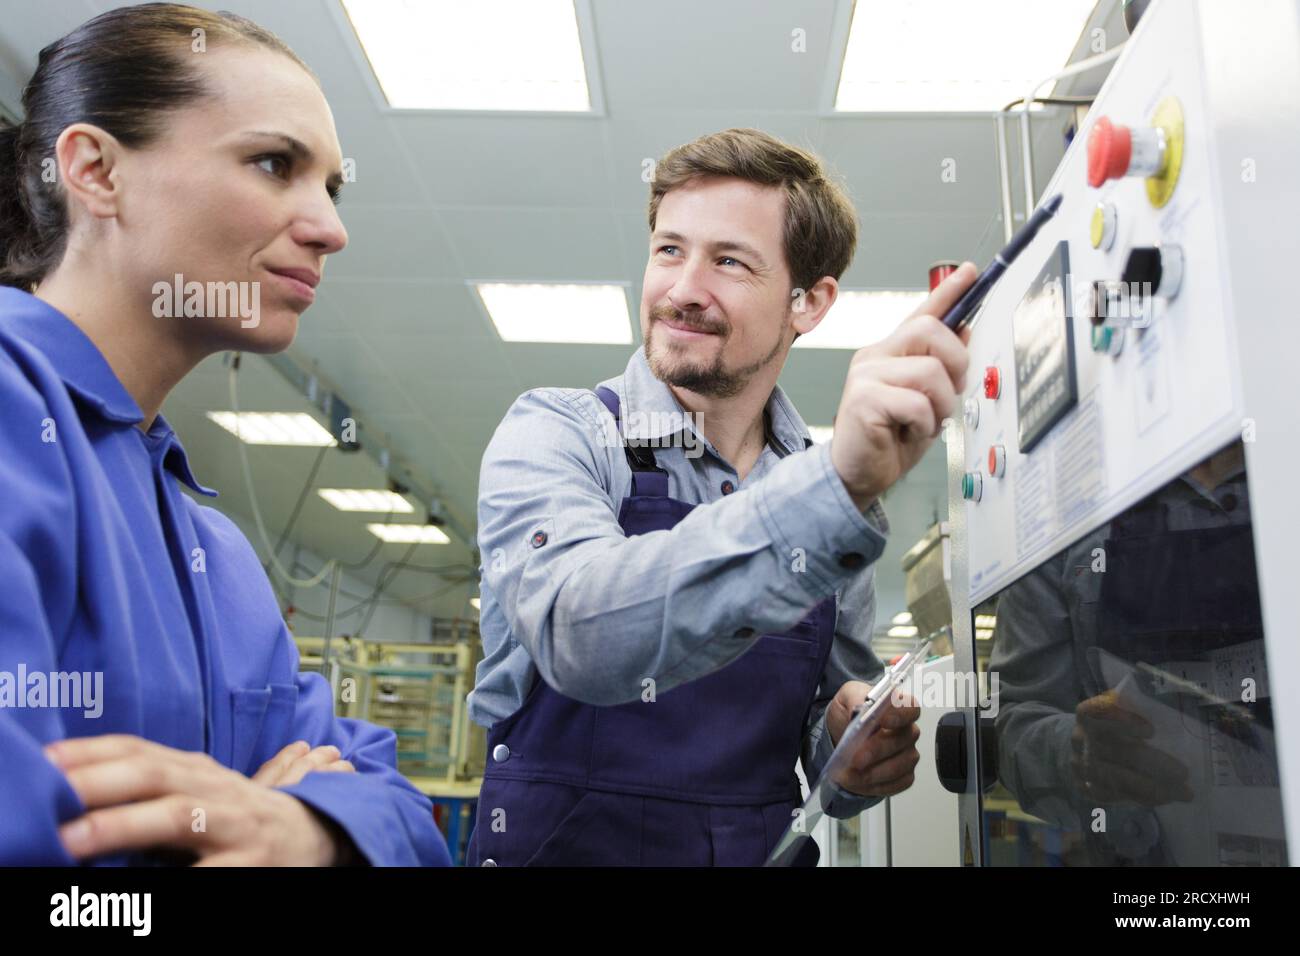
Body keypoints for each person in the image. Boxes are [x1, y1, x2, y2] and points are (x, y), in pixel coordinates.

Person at [0, 3, 448, 866]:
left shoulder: (215, 551)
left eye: (330, 186)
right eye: (274, 163)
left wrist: (307, 830)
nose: (331, 228)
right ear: (95, 172)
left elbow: (399, 809)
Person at [466, 128, 976, 866]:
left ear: (810, 302)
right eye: (669, 250)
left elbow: (824, 756)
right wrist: (833, 485)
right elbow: (579, 633)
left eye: (729, 261)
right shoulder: (558, 433)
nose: (681, 290)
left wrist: (849, 747)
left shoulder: (828, 489)